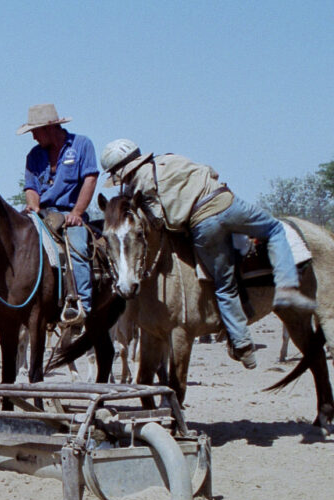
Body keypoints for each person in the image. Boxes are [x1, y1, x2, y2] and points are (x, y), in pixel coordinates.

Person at [101, 139, 316, 369]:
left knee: (224, 285)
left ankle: (241, 342)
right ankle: (286, 285)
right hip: (228, 203)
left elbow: (159, 221)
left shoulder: (140, 186)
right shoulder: (171, 158)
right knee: (274, 228)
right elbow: (211, 172)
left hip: (204, 224)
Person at [19, 103, 98, 324]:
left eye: (35, 131)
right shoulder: (34, 155)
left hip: (69, 214)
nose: (33, 137)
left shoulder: (82, 145)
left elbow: (90, 179)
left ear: (49, 127)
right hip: (43, 212)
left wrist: (77, 212)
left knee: (78, 247)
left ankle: (81, 303)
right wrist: (33, 205)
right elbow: (31, 187)